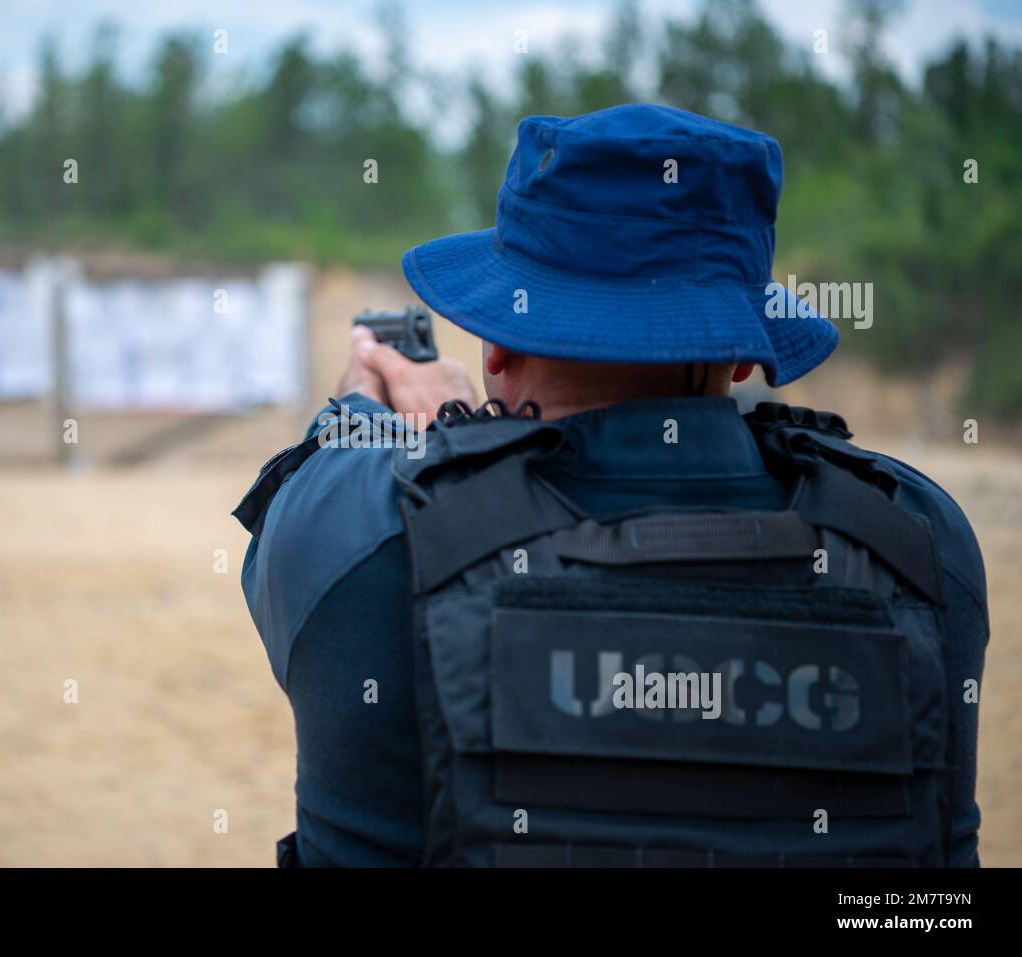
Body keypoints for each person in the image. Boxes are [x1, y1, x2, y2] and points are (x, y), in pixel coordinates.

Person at [234, 105, 988, 868]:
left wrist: (381, 421)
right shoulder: (919, 540)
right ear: (739, 356)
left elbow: (314, 498)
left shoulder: (368, 542)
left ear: (495, 342)